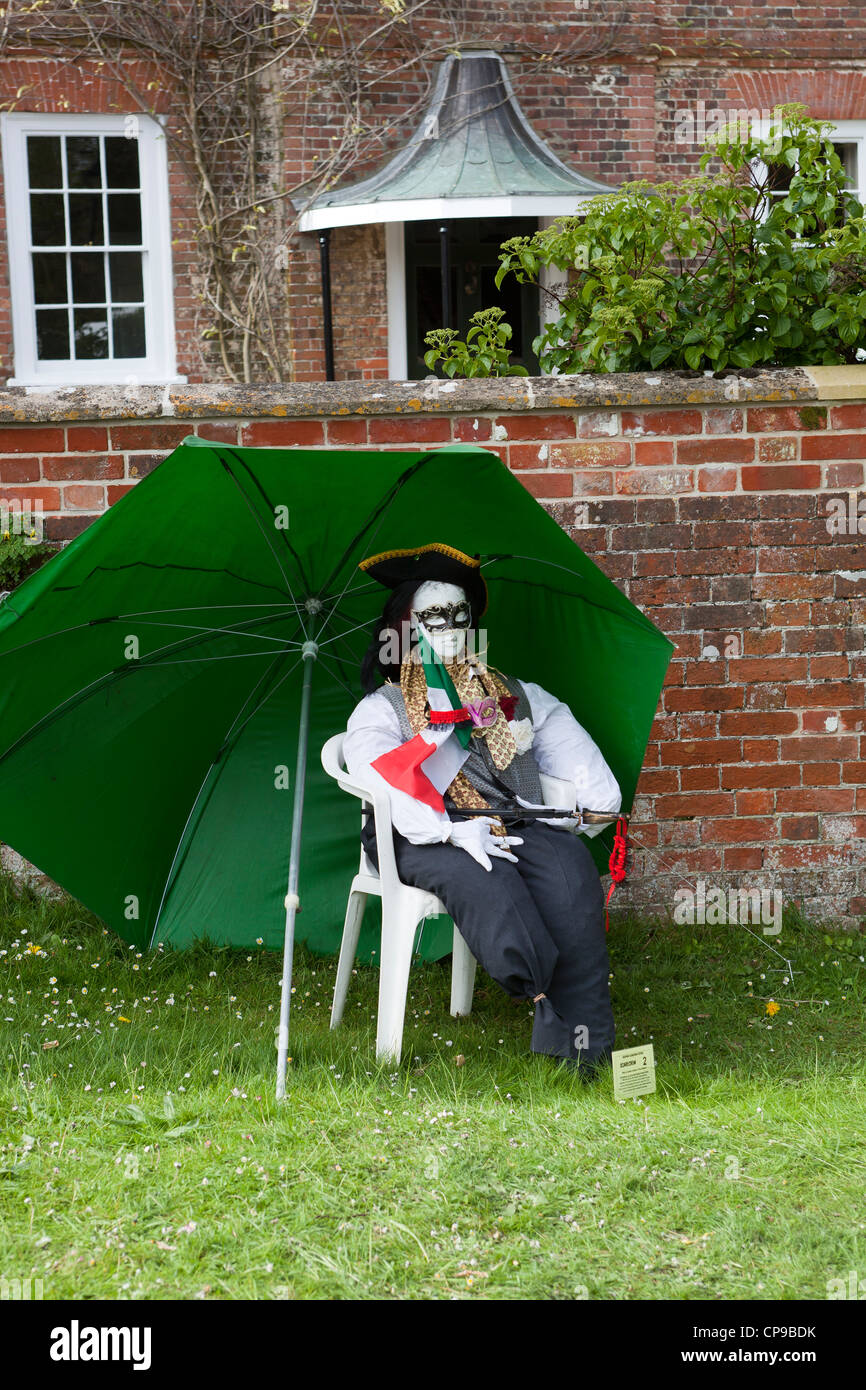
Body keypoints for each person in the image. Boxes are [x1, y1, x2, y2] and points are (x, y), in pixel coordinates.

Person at [342, 542, 622, 1075]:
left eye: (459, 614)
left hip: (508, 817)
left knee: (569, 876)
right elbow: (381, 773)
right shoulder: (383, 708)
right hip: (413, 831)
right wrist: (446, 831)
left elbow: (560, 732)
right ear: (404, 626)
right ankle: (539, 998)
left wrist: (594, 806)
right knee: (491, 884)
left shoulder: (506, 693)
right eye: (431, 615)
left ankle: (588, 1048)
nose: (448, 626)